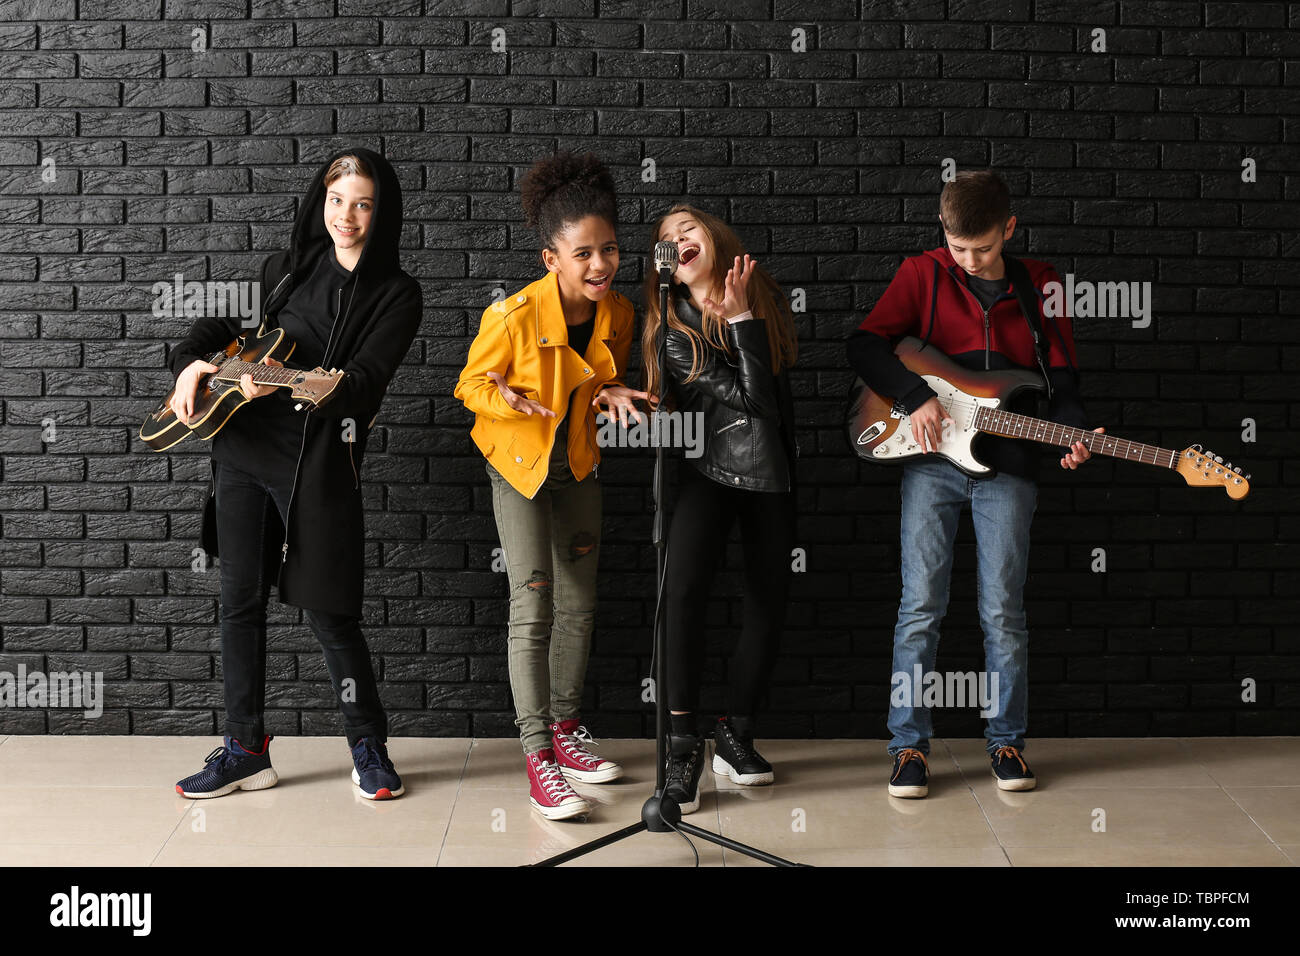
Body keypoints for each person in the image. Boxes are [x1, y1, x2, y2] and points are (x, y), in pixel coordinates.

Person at [168, 148, 422, 800]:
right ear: (320, 202)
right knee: (240, 604)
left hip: (315, 463)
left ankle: (368, 746)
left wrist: (293, 385)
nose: (348, 215)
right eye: (337, 200)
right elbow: (227, 330)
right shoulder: (283, 271)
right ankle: (246, 748)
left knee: (329, 612)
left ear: (380, 211)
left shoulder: (397, 294)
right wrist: (196, 363)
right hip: (241, 452)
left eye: (363, 203)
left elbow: (363, 383)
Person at [846, 169, 1100, 798]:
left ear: (1009, 229)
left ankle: (1006, 741)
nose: (968, 260)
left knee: (1002, 614)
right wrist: (912, 398)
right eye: (958, 248)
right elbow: (864, 346)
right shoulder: (922, 272)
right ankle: (908, 750)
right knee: (919, 609)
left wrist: (1071, 432)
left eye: (982, 248)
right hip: (931, 461)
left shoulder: (1043, 284)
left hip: (1009, 467)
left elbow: (1064, 383)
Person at [454, 151, 647, 821]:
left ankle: (567, 733)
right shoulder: (511, 317)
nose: (600, 264)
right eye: (584, 253)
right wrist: (509, 399)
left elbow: (604, 375)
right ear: (551, 260)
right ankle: (538, 757)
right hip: (520, 469)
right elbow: (468, 386)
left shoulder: (618, 312)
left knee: (580, 604)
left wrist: (617, 391)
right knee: (533, 607)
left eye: (610, 249)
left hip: (579, 468)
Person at [643, 204, 799, 815]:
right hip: (707, 469)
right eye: (666, 240)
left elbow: (777, 406)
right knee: (681, 596)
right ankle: (683, 744)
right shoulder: (673, 327)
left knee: (769, 600)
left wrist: (744, 315)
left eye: (690, 230)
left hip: (772, 474)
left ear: (714, 240)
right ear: (666, 268)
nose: (679, 241)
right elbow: (752, 400)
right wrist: (738, 323)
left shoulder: (765, 298)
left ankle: (736, 732)